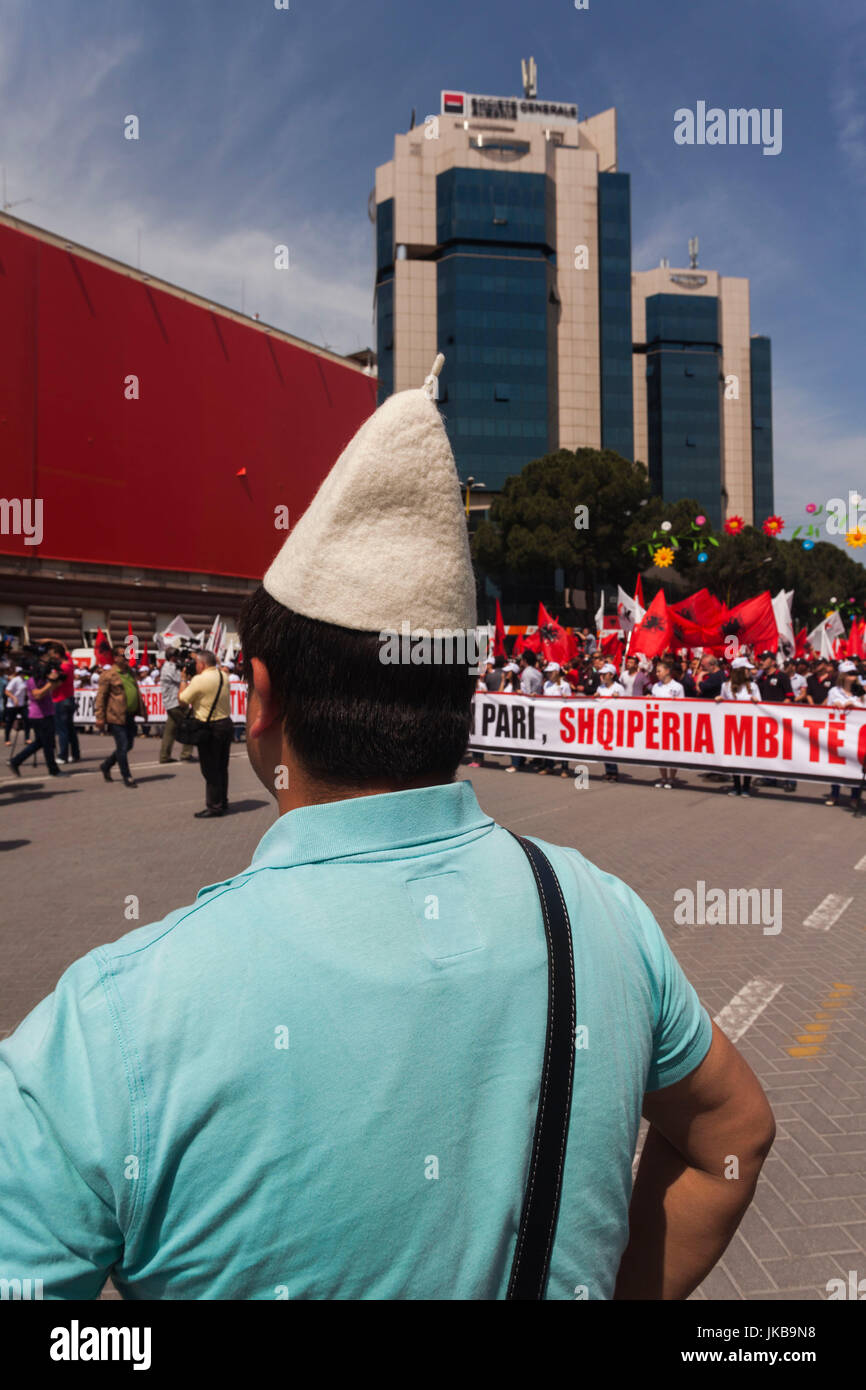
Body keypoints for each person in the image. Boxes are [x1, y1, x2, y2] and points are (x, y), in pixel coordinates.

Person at [0, 365, 774, 1301]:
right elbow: (733, 1133)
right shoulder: (604, 917)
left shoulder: (108, 1028)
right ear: (460, 699)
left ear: (262, 697)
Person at [178, 650, 233, 817]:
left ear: (201, 664)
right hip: (226, 724)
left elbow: (182, 699)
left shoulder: (199, 680)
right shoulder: (224, 676)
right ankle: (222, 801)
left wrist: (183, 679)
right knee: (222, 767)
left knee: (210, 769)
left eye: (196, 664)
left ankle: (214, 806)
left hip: (209, 728)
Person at [94, 644, 149, 788]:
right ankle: (127, 776)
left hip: (129, 715)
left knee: (128, 745)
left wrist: (143, 710)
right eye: (124, 656)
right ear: (116, 658)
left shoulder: (130, 672)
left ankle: (106, 765)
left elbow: (135, 691)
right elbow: (101, 697)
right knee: (123, 746)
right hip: (115, 716)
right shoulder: (108, 675)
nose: (128, 658)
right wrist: (99, 717)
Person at [716, 657, 761, 796]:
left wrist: (756, 701)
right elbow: (723, 700)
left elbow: (762, 704)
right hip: (732, 725)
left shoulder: (753, 687)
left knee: (747, 757)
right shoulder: (726, 686)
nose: (750, 671)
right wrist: (719, 700)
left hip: (749, 725)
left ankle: (746, 787)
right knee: (734, 757)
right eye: (747, 669)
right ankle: (736, 786)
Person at [8, 663, 62, 777]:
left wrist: (57, 678)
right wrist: (50, 683)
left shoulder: (43, 680)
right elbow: (37, 695)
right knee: (47, 743)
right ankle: (53, 770)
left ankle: (15, 761)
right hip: (39, 716)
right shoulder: (32, 681)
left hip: (47, 713)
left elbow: (52, 688)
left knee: (40, 742)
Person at [824, 664, 866, 808]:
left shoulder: (860, 691)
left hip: (856, 734)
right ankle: (834, 793)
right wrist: (838, 704)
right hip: (839, 732)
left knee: (855, 763)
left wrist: (855, 703)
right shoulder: (834, 691)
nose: (853, 676)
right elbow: (828, 708)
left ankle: (855, 797)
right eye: (850, 673)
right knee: (836, 763)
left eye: (854, 673)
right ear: (843, 675)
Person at [651, 658, 684, 789]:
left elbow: (682, 705)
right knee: (660, 752)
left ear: (667, 671)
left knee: (672, 752)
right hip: (658, 722)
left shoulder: (677, 687)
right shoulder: (655, 686)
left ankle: (672, 777)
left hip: (673, 723)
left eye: (659, 671)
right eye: (656, 671)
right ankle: (663, 777)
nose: (657, 673)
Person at [47, 642, 81, 765]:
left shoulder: (63, 667)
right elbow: (64, 647)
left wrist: (47, 674)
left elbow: (54, 681)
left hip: (61, 700)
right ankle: (76, 754)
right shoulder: (69, 663)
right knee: (70, 729)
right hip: (68, 698)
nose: (50, 656)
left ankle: (63, 756)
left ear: (57, 654)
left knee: (62, 730)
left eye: (52, 654)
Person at [159, 650, 194, 765]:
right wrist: (185, 669)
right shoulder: (168, 667)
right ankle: (186, 754)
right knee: (190, 724)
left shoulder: (172, 666)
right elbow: (180, 679)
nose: (179, 658)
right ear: (172, 657)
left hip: (173, 703)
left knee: (170, 731)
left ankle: (164, 756)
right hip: (175, 703)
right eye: (177, 656)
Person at [595, 662, 624, 781]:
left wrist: (618, 698)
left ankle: (614, 771)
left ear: (611, 675)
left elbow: (626, 704)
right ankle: (608, 769)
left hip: (614, 721)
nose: (601, 676)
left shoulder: (618, 688)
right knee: (603, 747)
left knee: (611, 747)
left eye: (604, 674)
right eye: (601, 674)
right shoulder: (600, 688)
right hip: (602, 721)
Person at [3, 667, 28, 745]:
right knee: (9, 722)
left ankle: (27, 738)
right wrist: (13, 698)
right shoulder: (15, 680)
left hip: (22, 704)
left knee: (27, 720)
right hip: (12, 705)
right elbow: (6, 691)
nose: (25, 675)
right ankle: (7, 739)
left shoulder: (26, 679)